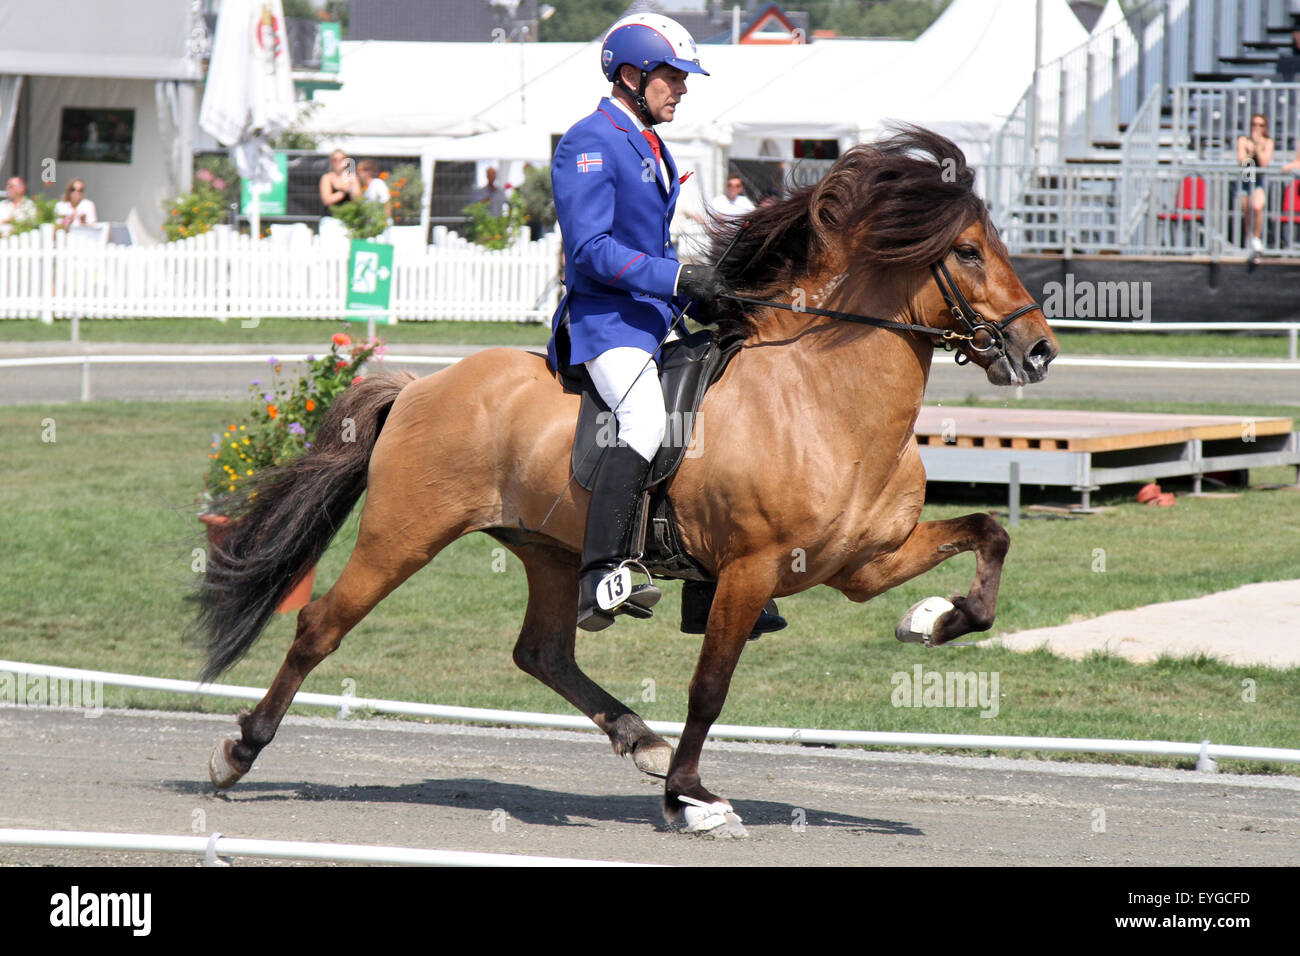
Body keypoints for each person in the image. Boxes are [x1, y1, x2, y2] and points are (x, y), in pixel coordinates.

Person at [546, 13, 728, 631]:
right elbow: (591, 250)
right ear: (632, 76)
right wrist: (673, 279)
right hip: (608, 322)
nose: (682, 89)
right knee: (647, 418)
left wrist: (702, 296)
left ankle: (707, 584)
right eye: (672, 78)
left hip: (654, 317)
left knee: (721, 408)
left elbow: (650, 244)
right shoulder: (590, 141)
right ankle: (598, 576)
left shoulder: (648, 142)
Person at [1236, 113, 1273, 254]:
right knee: (1247, 210)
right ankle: (1248, 238)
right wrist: (1250, 152)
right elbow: (1243, 162)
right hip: (1247, 175)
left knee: (1257, 206)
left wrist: (1257, 147)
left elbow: (1263, 163)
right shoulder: (1243, 140)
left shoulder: (1267, 141)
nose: (1257, 128)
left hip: (1259, 177)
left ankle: (1256, 237)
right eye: (1254, 124)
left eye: (1261, 125)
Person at [319, 149, 359, 216]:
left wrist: (352, 183)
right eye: (335, 160)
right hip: (331, 217)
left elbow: (358, 200)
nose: (338, 162)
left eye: (342, 159)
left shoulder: (352, 177)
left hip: (349, 217)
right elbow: (327, 200)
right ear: (331, 162)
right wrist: (345, 191)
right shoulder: (327, 177)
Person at [357, 159, 392, 225]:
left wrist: (384, 221)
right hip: (374, 226)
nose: (357, 172)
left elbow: (387, 203)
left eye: (359, 170)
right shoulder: (366, 188)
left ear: (368, 171)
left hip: (381, 225)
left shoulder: (377, 183)